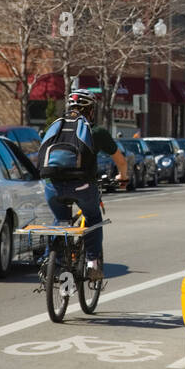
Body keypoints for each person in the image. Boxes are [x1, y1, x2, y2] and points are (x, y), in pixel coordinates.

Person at [38, 90, 126, 281]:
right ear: (91, 110)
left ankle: (51, 261)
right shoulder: (96, 132)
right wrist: (122, 177)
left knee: (61, 220)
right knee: (93, 218)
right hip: (83, 187)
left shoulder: (55, 128)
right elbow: (121, 161)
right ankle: (93, 264)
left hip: (52, 186)